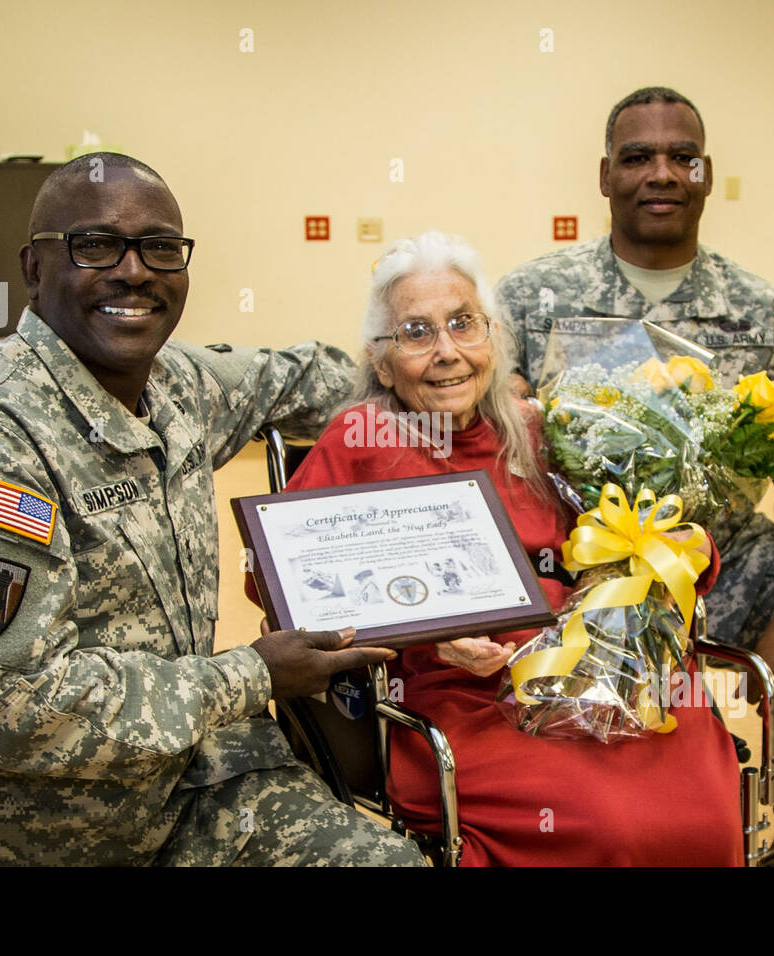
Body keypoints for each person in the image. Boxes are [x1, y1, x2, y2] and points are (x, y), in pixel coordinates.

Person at [0, 152, 426, 867]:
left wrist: (448, 389)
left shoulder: (176, 384)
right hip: (24, 832)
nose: (134, 271)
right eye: (95, 245)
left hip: (183, 785)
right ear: (33, 268)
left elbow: (310, 376)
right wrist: (253, 675)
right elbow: (15, 710)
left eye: (159, 248)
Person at [495, 87, 774, 865]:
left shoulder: (757, 312)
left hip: (719, 564)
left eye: (680, 157)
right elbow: (473, 434)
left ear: (705, 174)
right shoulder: (533, 299)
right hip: (573, 572)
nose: (660, 172)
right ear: (604, 176)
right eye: (638, 157)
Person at [260, 231, 743, 866]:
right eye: (415, 332)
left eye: (464, 324)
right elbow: (286, 586)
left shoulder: (541, 428)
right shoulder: (361, 437)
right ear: (381, 362)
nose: (447, 352)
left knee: (702, 812)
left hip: (598, 673)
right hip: (463, 694)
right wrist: (422, 633)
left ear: (491, 338)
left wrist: (674, 544)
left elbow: (635, 531)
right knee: (610, 825)